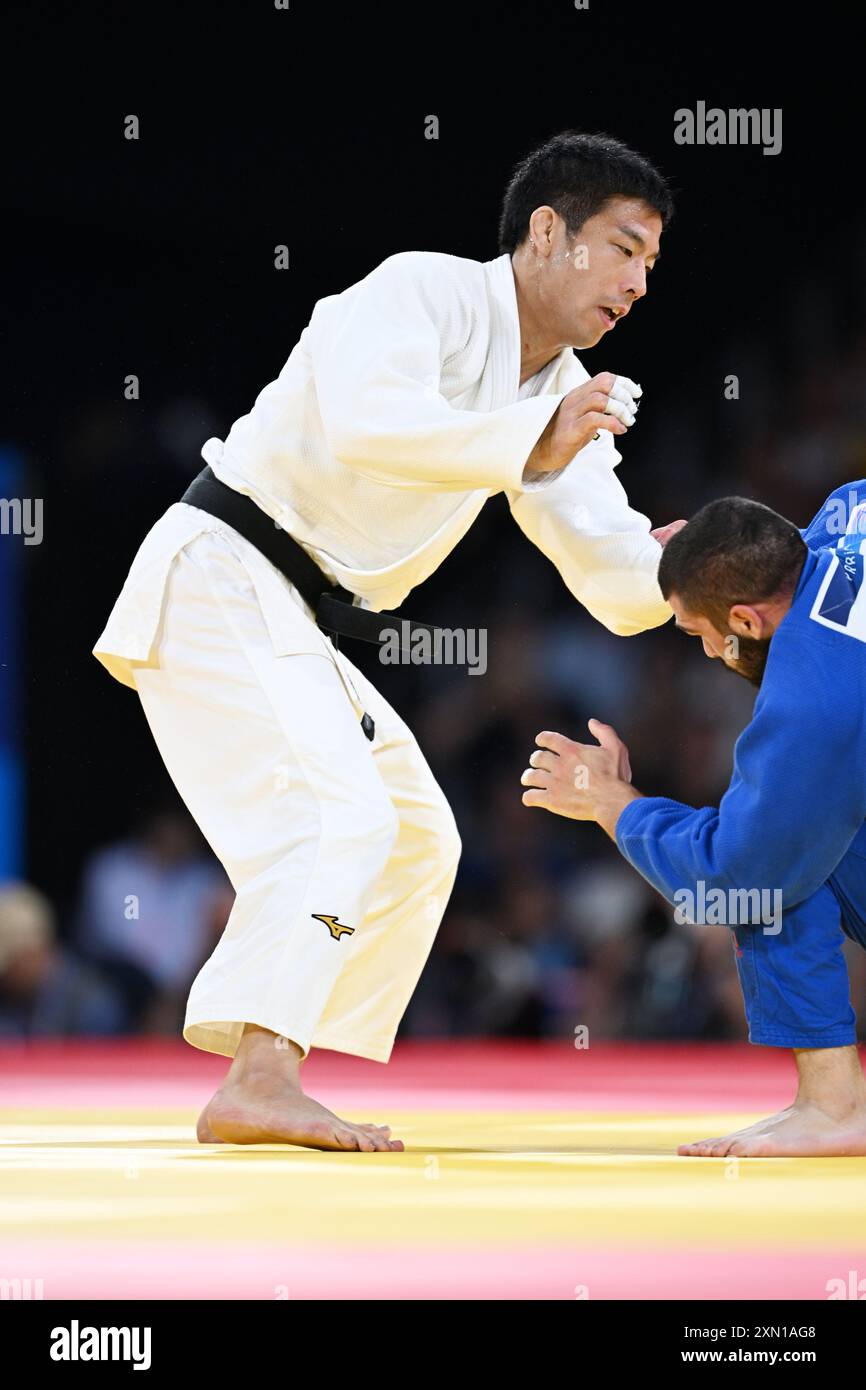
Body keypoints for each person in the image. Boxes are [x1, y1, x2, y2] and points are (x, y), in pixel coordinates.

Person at [93, 130, 677, 1150]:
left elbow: (612, 574)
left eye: (650, 264)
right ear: (546, 233)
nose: (636, 281)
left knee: (415, 836)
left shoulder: (559, 398)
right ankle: (259, 1076)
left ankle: (276, 1062)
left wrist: (689, 576)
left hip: (298, 618)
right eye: (622, 247)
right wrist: (528, 442)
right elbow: (368, 422)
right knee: (340, 812)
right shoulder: (421, 293)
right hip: (223, 565)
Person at [520, 480, 866, 1157]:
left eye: (700, 632)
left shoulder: (813, 703)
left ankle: (833, 1107)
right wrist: (713, 554)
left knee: (773, 870)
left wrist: (612, 804)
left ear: (743, 618)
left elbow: (735, 873)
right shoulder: (846, 515)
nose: (706, 653)